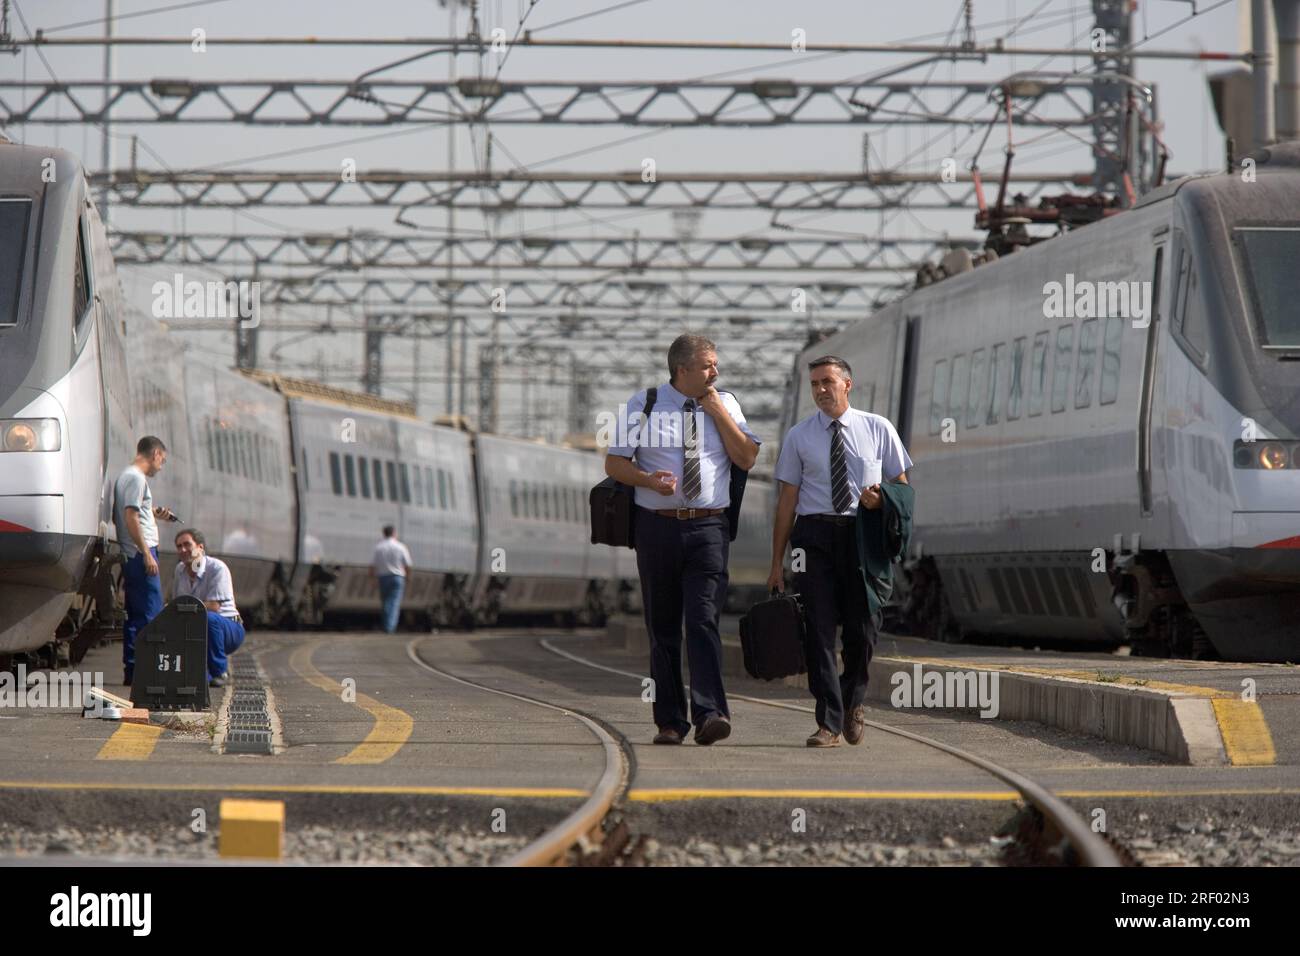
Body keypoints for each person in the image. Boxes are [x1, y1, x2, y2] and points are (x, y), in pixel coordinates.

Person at [605, 333, 761, 746]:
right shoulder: (644, 404)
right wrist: (646, 480)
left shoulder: (726, 403)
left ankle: (711, 712)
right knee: (663, 627)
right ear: (683, 369)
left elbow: (746, 457)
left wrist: (718, 413)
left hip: (710, 527)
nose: (716, 371)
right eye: (709, 364)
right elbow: (615, 462)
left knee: (703, 619)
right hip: (656, 527)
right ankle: (671, 721)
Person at [768, 356, 913, 748]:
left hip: (862, 535)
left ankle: (852, 702)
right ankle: (828, 722)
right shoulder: (799, 436)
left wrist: (880, 498)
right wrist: (776, 563)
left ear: (847, 384)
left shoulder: (877, 428)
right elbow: (787, 502)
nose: (819, 390)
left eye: (827, 381)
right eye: (814, 383)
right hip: (814, 537)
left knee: (862, 631)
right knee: (817, 630)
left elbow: (901, 486)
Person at [112, 436, 178, 686]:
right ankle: (144, 670)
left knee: (137, 612)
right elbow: (130, 517)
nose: (162, 466)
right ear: (157, 454)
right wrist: (147, 553)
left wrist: (153, 513)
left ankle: (135, 669)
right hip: (141, 553)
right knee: (149, 613)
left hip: (137, 553)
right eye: (163, 460)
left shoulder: (128, 477)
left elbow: (135, 512)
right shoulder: (136, 478)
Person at [173, 529, 244, 688]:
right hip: (196, 626)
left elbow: (213, 606)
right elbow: (176, 603)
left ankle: (220, 671)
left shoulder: (217, 568)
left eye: (187, 545)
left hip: (228, 627)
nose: (183, 550)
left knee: (208, 618)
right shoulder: (179, 570)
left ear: (200, 547)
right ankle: (198, 673)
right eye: (179, 546)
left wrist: (183, 607)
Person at [371, 525, 413, 634]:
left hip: (383, 577)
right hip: (397, 578)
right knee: (394, 603)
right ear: (394, 533)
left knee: (385, 603)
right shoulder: (400, 547)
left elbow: (373, 565)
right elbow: (408, 564)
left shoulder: (379, 547)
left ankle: (387, 625)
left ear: (384, 533)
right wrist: (408, 577)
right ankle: (390, 628)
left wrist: (372, 578)